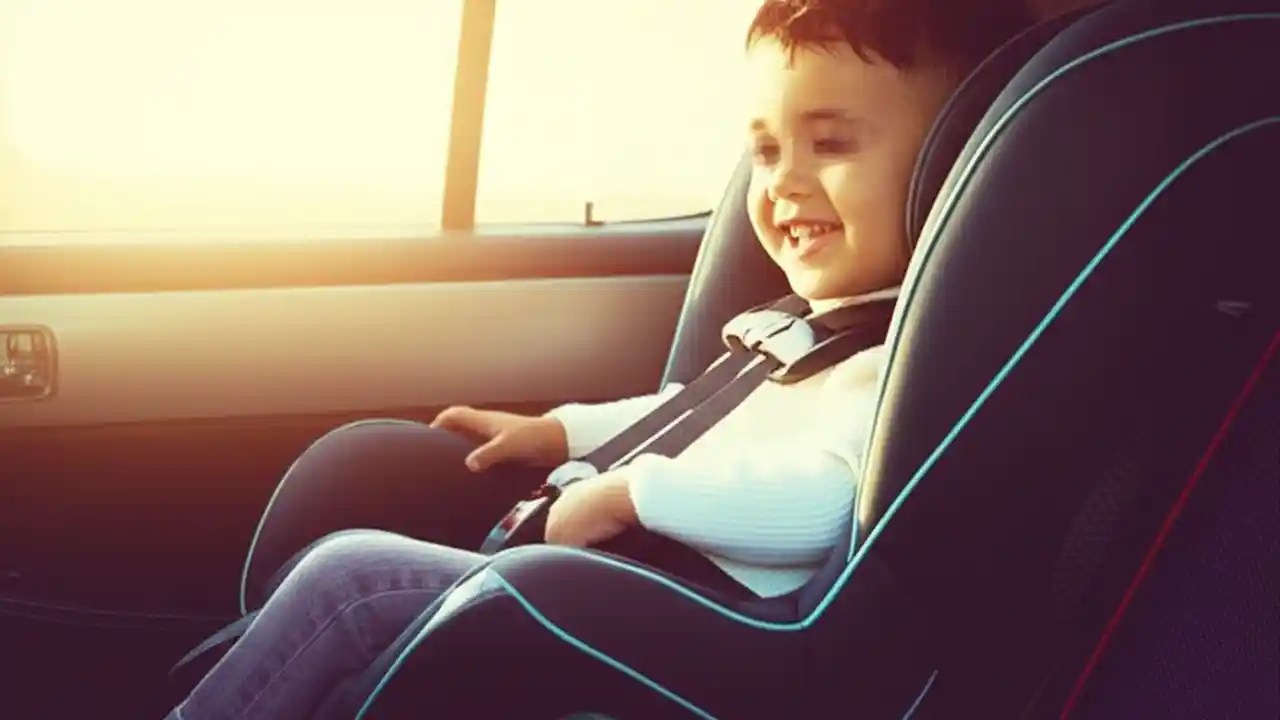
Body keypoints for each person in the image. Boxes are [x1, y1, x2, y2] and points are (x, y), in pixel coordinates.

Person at [164, 1, 1035, 718]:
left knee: (351, 578)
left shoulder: (895, 363)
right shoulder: (799, 326)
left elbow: (825, 501)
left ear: (950, 166)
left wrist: (630, 493)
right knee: (347, 578)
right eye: (766, 151)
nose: (781, 183)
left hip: (687, 622)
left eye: (832, 144)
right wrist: (559, 431)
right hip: (600, 574)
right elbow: (685, 413)